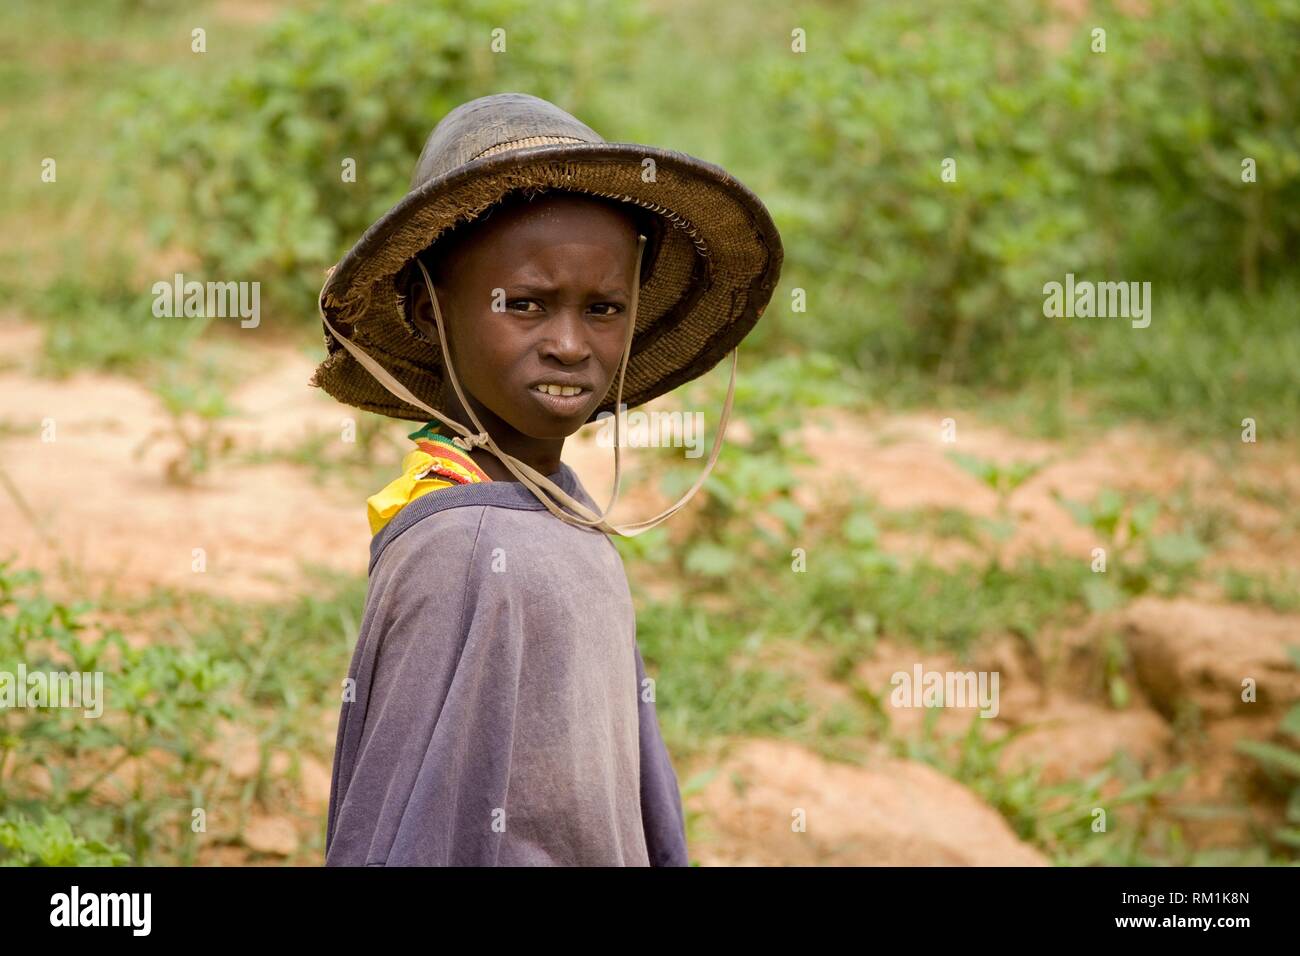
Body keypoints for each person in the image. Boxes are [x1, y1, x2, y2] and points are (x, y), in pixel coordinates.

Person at [313, 92, 783, 865]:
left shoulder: (561, 510)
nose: (569, 344)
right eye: (524, 304)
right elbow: (402, 828)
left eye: (603, 308)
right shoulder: (463, 552)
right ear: (430, 311)